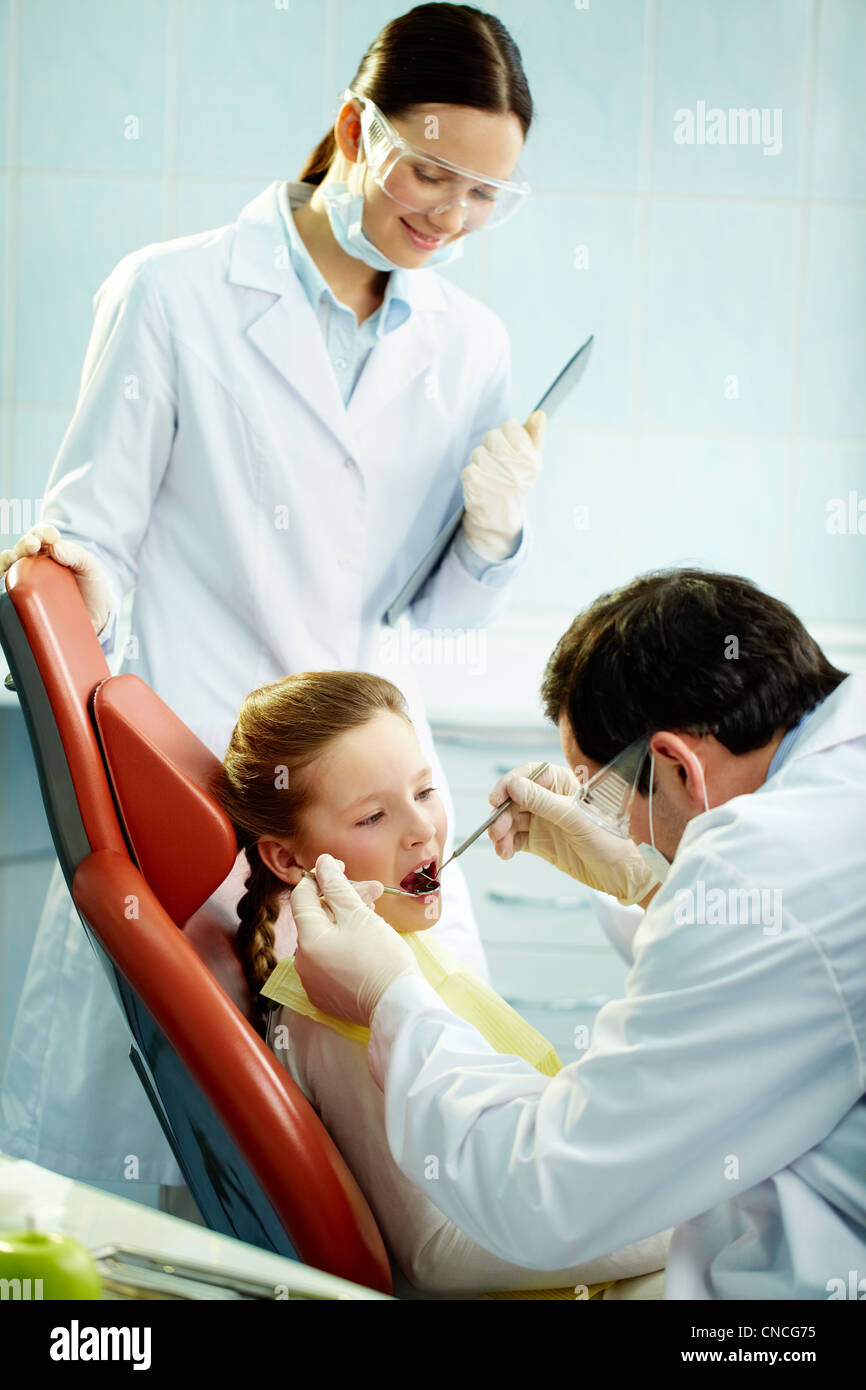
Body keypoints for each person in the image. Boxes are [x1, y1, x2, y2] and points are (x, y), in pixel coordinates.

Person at [0, 4, 546, 1207]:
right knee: (149, 1196)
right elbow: (87, 549)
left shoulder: (472, 347)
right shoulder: (173, 293)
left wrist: (494, 533)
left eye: (484, 196)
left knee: (393, 1191)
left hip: (369, 807)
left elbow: (429, 619)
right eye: (431, 171)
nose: (448, 216)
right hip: (196, 791)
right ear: (357, 126)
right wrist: (65, 570)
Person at [288, 567, 866, 1300]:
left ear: (675, 763)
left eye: (602, 793)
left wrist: (391, 1000)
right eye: (372, 816)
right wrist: (651, 886)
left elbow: (545, 1189)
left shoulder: (765, 871)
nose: (418, 829)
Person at [215, 667, 672, 1298]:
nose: (422, 828)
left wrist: (645, 880)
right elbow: (441, 1251)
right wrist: (698, 1212)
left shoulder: (406, 949)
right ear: (289, 859)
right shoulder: (334, 1003)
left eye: (425, 790)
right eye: (373, 815)